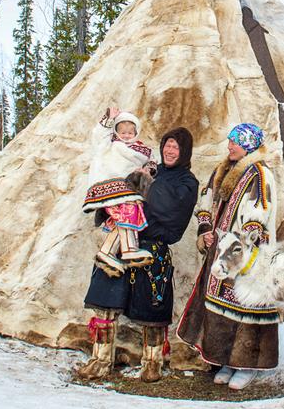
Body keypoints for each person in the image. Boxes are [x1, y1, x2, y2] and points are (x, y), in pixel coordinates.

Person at [78, 127, 200, 383]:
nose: (170, 150)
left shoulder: (187, 182)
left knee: (152, 308)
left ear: (184, 151)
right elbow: (120, 195)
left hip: (153, 247)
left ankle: (153, 362)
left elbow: (172, 213)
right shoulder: (150, 168)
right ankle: (100, 359)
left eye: (176, 147)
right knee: (105, 299)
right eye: (167, 145)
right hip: (121, 242)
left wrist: (145, 186)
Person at [177, 123, 278, 391]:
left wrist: (243, 244)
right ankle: (226, 360)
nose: (229, 146)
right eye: (230, 141)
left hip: (245, 255)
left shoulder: (260, 174)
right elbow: (206, 201)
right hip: (221, 251)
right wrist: (205, 230)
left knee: (245, 305)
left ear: (248, 145)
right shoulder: (223, 170)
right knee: (221, 305)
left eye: (235, 142)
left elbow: (258, 211)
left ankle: (247, 364)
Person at [83, 106, 155, 276]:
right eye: (122, 132)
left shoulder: (141, 149)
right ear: (116, 131)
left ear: (136, 132)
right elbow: (98, 136)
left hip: (128, 187)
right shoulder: (110, 144)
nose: (126, 136)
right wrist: (109, 119)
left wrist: (148, 171)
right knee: (130, 208)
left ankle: (106, 252)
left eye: (130, 132)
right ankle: (129, 248)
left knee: (121, 219)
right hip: (112, 186)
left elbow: (152, 161)